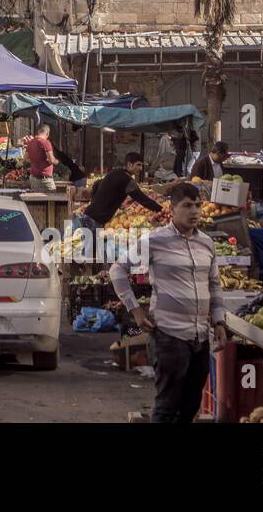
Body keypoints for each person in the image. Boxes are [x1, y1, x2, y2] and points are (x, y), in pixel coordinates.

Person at [110, 183, 228, 423]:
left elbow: (214, 284)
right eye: (187, 206)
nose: (194, 211)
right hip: (169, 336)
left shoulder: (206, 243)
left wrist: (219, 321)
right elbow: (118, 270)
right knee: (167, 406)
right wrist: (136, 312)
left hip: (200, 337)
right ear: (172, 209)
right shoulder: (156, 240)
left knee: (190, 405)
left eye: (198, 205)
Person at [76, 152, 162, 232]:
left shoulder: (115, 172)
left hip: (88, 215)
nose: (141, 168)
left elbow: (96, 185)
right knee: (91, 247)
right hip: (95, 221)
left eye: (141, 165)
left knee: (91, 247)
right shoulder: (127, 180)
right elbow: (143, 199)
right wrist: (161, 209)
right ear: (129, 164)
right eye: (138, 165)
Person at [25, 124, 58, 193]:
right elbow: (51, 160)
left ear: (38, 131)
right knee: (52, 198)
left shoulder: (31, 142)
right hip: (45, 179)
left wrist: (36, 161)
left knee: (37, 201)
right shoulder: (46, 143)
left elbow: (25, 159)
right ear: (47, 133)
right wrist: (56, 161)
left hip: (33, 177)